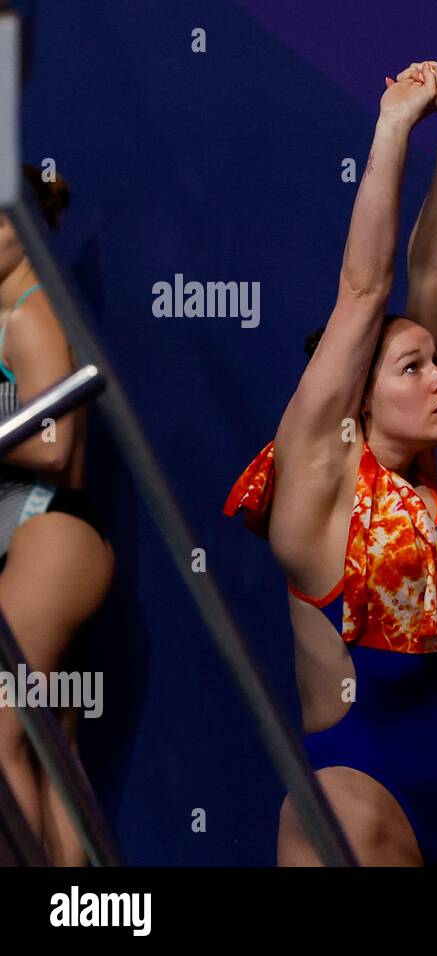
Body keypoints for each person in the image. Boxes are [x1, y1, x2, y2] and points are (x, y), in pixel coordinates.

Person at [224, 60, 437, 866]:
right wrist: (394, 123)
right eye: (413, 369)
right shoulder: (320, 482)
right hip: (358, 800)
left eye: (433, 361)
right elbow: (365, 289)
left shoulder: (416, 482)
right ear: (357, 401)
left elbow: (436, 267)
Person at [0, 165, 115, 866]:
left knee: (0, 739)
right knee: (54, 756)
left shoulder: (27, 311)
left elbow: (53, 442)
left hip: (54, 532)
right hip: (57, 536)